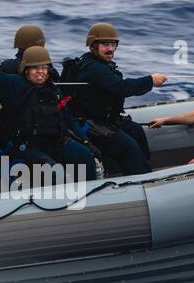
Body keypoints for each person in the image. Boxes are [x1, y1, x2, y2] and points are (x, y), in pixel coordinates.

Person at [61, 22, 167, 175]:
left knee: (136, 131)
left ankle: (143, 170)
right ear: (92, 46)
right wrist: (150, 81)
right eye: (105, 44)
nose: (110, 49)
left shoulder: (96, 63)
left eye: (113, 44)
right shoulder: (94, 68)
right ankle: (139, 180)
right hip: (89, 125)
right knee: (128, 146)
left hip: (104, 119)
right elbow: (121, 87)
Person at [0, 45, 98, 181]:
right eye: (35, 68)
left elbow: (69, 117)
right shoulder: (15, 85)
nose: (41, 72)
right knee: (56, 174)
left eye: (44, 68)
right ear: (26, 70)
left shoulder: (53, 90)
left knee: (84, 155)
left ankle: (90, 194)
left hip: (54, 142)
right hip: (27, 146)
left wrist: (85, 140)